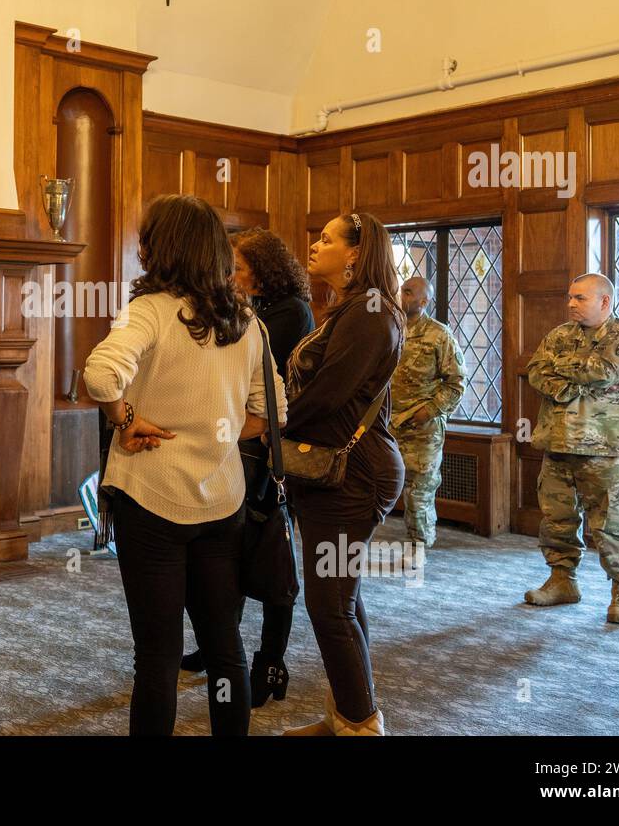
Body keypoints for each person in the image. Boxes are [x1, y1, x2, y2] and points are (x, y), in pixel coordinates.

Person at [84, 195, 287, 736]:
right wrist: (212, 436)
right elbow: (272, 411)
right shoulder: (246, 319)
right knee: (225, 649)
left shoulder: (148, 312)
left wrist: (126, 416)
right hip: (223, 499)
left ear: (158, 248)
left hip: (151, 496)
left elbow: (100, 376)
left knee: (157, 655)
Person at [179, 227, 313, 707]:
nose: (229, 275)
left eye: (236, 267)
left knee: (273, 557)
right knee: (227, 554)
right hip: (233, 441)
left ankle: (270, 662)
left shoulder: (288, 312)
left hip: (267, 449)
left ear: (261, 270)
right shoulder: (239, 312)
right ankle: (221, 646)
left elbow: (251, 373)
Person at [282, 212, 404, 738]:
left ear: (355, 253)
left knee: (329, 605)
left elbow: (329, 397)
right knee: (343, 599)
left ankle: (361, 726)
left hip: (354, 471)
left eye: (327, 239)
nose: (314, 245)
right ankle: (349, 714)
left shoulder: (370, 311)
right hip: (341, 468)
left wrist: (267, 424)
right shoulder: (351, 308)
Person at [524, 272, 619, 626]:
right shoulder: (560, 334)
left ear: (604, 302)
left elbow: (602, 371)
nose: (570, 304)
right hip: (558, 442)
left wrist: (560, 368)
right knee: (557, 520)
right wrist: (566, 384)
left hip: (607, 449)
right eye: (570, 297)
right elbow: (535, 371)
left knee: (613, 525)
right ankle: (562, 581)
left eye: (579, 298)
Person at [391, 276, 466, 553]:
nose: (401, 295)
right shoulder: (391, 328)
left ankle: (418, 546)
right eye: (401, 290)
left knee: (419, 492)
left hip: (423, 427)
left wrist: (429, 411)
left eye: (408, 292)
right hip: (388, 424)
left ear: (423, 302)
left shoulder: (439, 334)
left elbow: (456, 383)